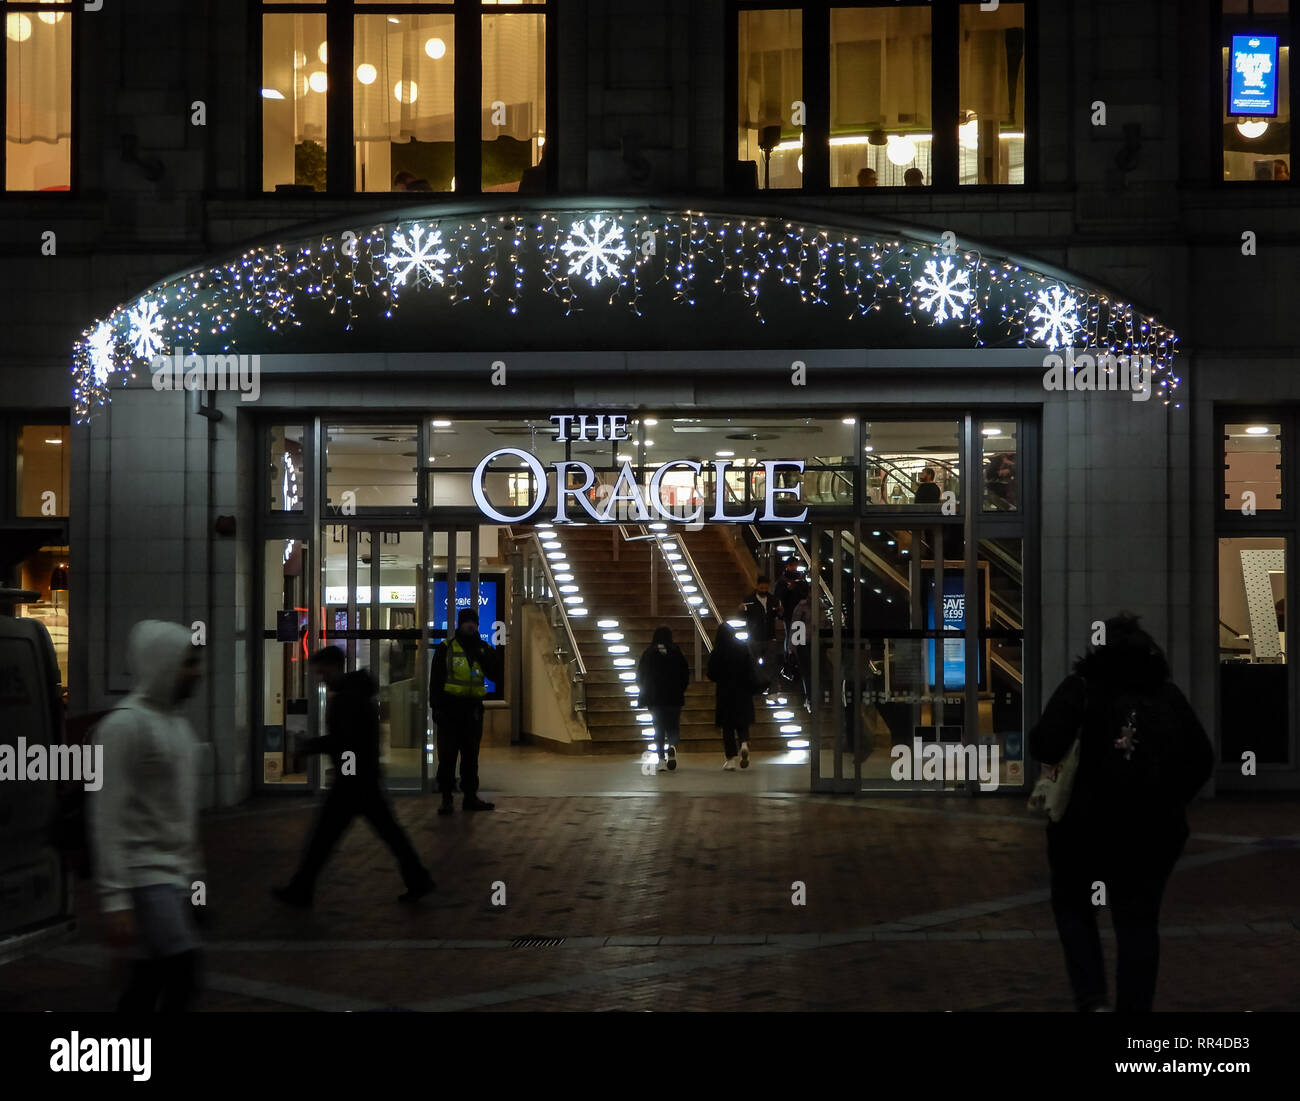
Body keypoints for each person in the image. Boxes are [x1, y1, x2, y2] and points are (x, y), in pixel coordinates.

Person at [1029, 614, 1213, 1012]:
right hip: (1151, 833)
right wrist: (1168, 799)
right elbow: (1202, 758)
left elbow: (1044, 743)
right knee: (1139, 922)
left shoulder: (1081, 688)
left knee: (1074, 907)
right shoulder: (1167, 695)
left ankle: (1092, 997)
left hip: (1084, 830)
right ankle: (1134, 1007)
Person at [90, 621, 205, 1011]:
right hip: (143, 876)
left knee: (148, 982)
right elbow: (107, 814)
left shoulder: (178, 727)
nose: (196, 672)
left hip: (169, 878)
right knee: (182, 971)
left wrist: (191, 879)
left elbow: (182, 814)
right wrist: (115, 899)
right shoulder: (123, 726)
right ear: (162, 663)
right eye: (189, 662)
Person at [274, 647, 434, 906]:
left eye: (322, 671)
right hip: (363, 779)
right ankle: (418, 879)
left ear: (335, 667)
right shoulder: (358, 694)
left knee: (324, 837)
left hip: (352, 782)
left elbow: (343, 740)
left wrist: (309, 746)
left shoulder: (348, 699)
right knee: (387, 833)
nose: (320, 678)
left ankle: (301, 889)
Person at [430, 608, 504, 813]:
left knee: (471, 757)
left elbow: (495, 674)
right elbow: (435, 681)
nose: (470, 625)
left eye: (474, 622)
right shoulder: (447, 648)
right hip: (449, 711)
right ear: (460, 625)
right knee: (447, 757)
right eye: (467, 622)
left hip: (472, 711)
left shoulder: (483, 648)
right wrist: (436, 708)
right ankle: (446, 798)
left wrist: (487, 656)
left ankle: (470, 797)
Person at [707, 623, 761, 770]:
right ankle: (744, 743)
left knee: (728, 727)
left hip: (725, 692)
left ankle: (730, 760)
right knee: (742, 722)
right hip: (742, 691)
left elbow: (710, 673)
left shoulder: (718, 651)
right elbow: (750, 669)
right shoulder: (742, 648)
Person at [637, 626, 690, 771]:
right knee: (673, 726)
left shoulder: (648, 653)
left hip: (655, 698)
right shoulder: (676, 653)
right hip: (674, 697)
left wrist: (645, 691)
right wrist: (681, 689)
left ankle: (661, 760)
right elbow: (685, 674)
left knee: (658, 728)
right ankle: (672, 747)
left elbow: (641, 675)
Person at [743, 577, 780, 687]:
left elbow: (777, 615)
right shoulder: (749, 599)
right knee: (754, 663)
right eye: (761, 587)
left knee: (771, 664)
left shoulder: (773, 599)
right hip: (755, 636)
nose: (764, 590)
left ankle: (770, 688)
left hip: (769, 635)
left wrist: (779, 612)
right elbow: (744, 616)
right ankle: (756, 686)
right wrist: (741, 611)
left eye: (766, 588)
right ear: (757, 586)